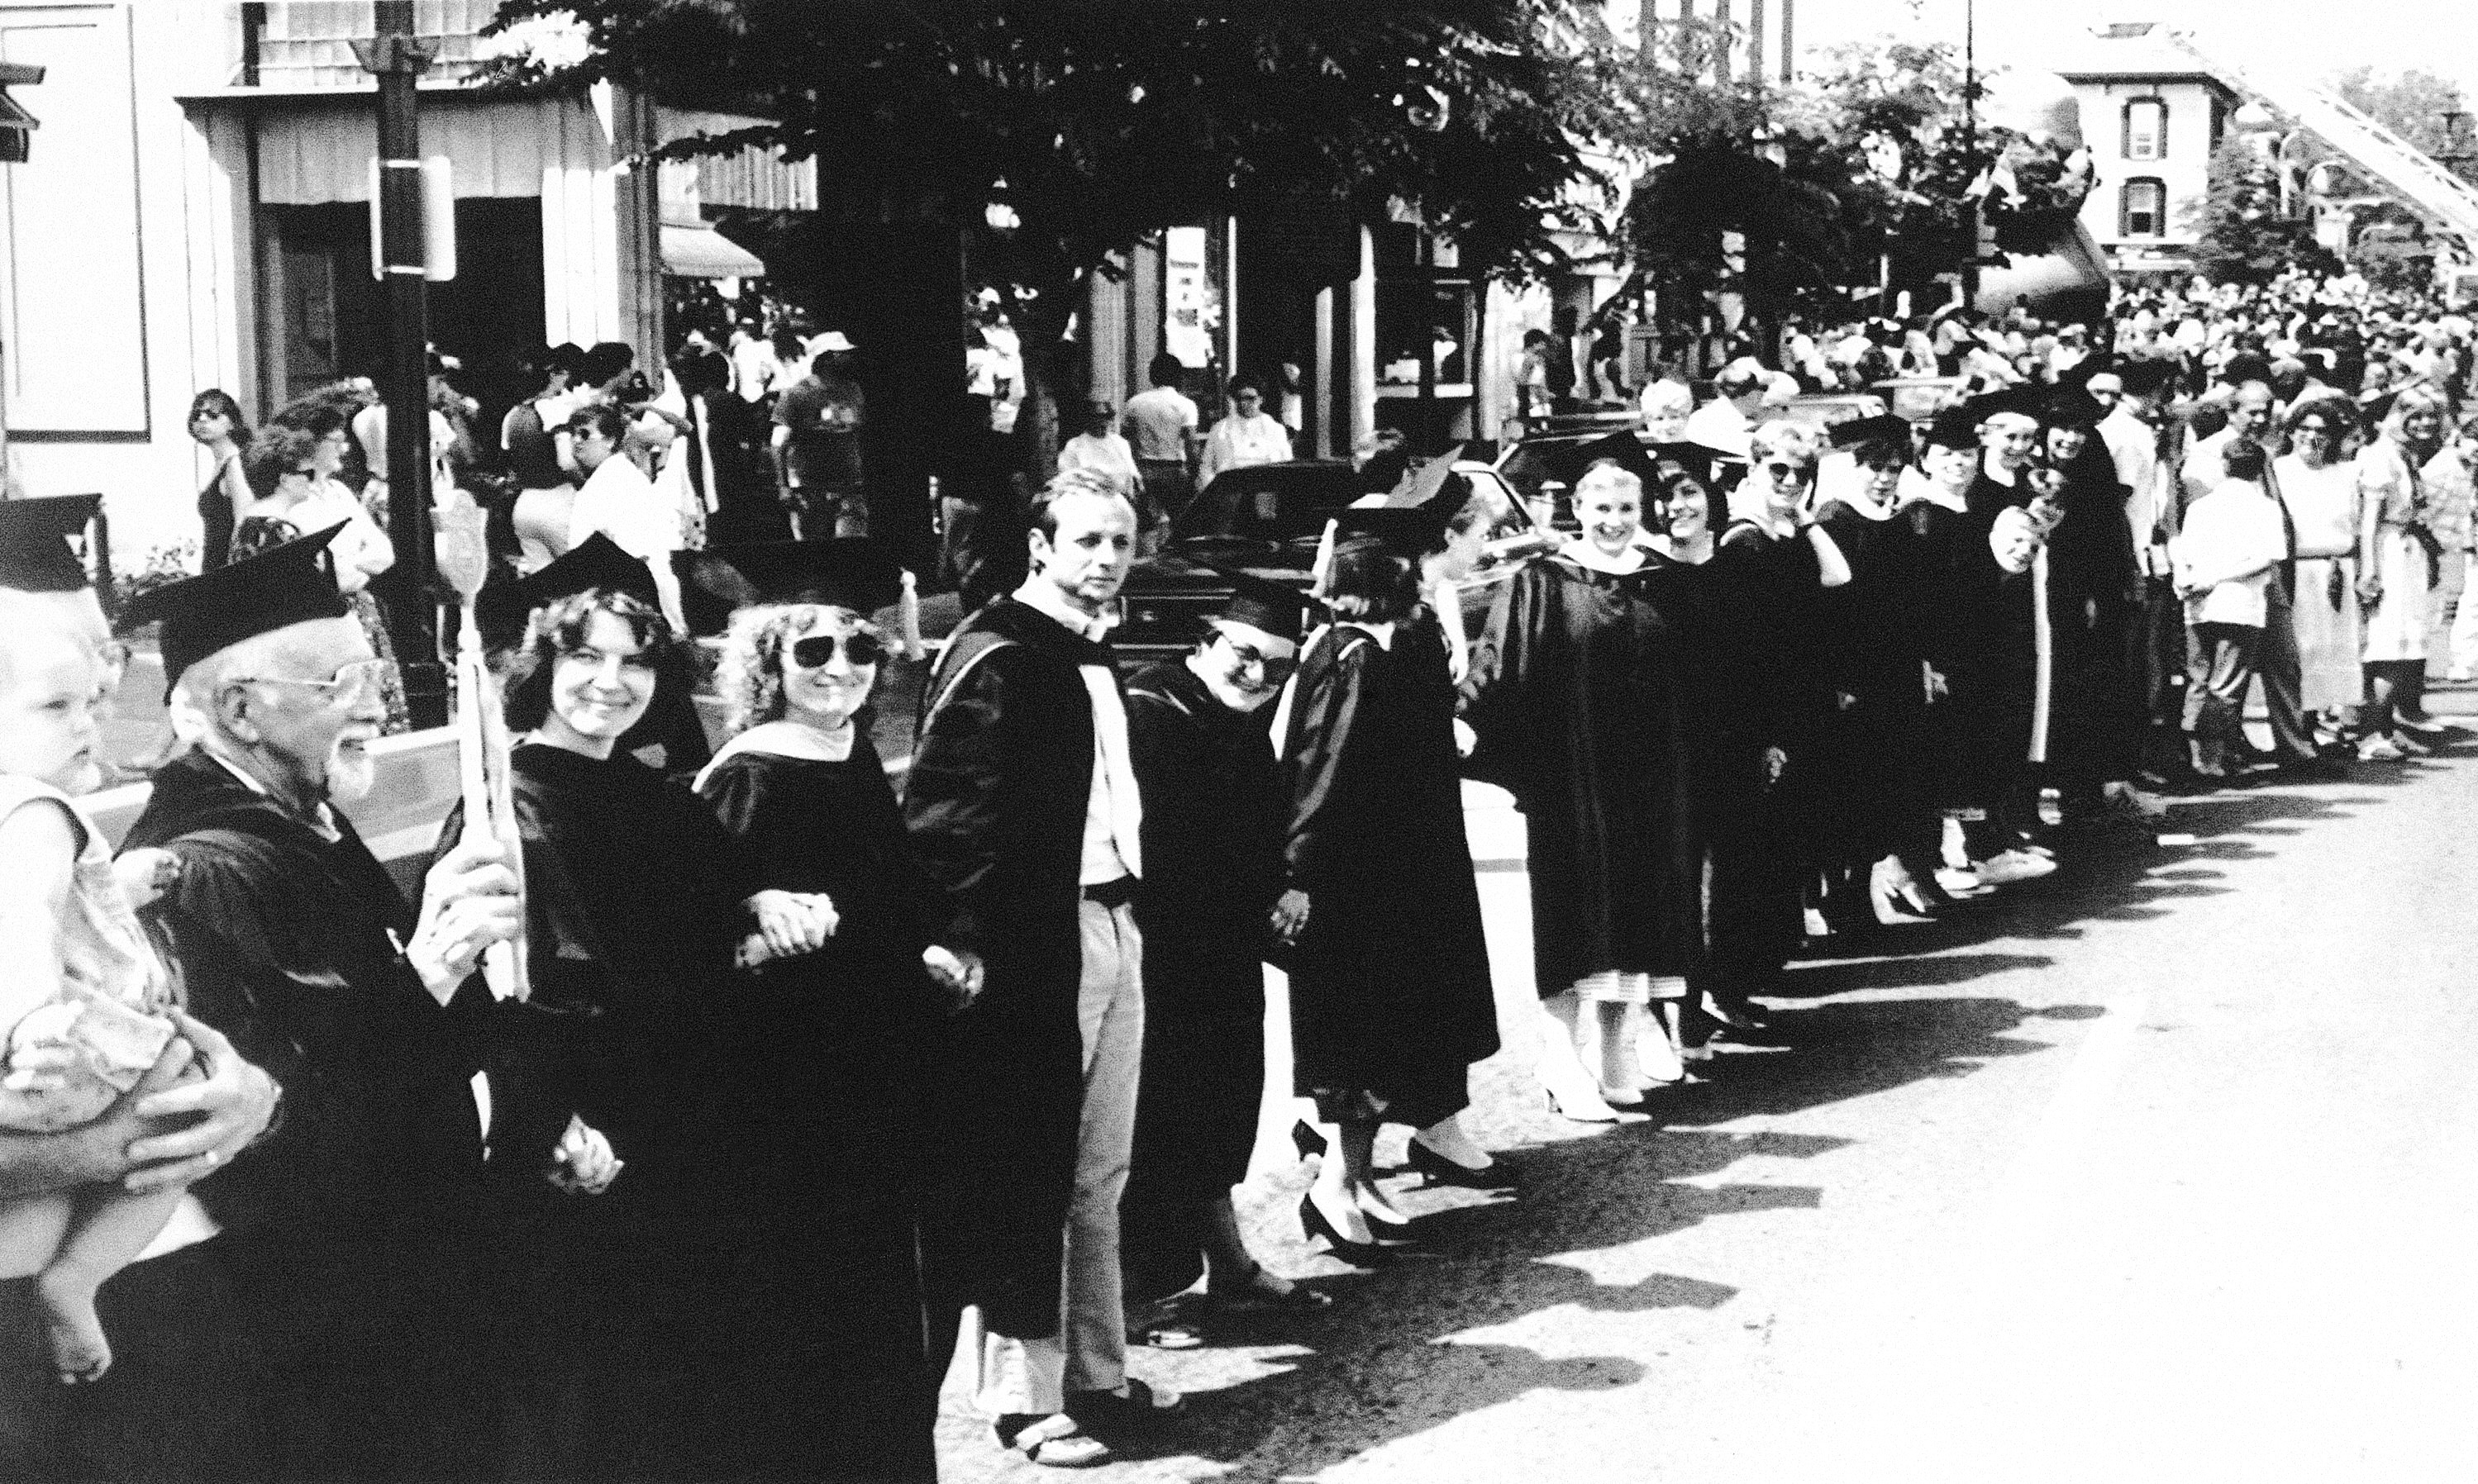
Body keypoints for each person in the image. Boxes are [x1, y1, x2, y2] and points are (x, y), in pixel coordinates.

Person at [116, 525, 524, 1483]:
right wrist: (427, 973)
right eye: (341, 681)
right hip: (321, 1338)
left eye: (373, 672)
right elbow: (277, 1131)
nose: (376, 700)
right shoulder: (202, 871)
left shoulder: (309, 827)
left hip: (409, 1294)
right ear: (240, 708)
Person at [445, 544, 828, 1482]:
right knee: (609, 1401)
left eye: (635, 662)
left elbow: (714, 902)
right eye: (587, 657)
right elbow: (496, 999)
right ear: (543, 666)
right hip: (593, 1146)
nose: (611, 682)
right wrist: (549, 1119)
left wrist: (761, 902)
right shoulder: (509, 810)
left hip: (690, 1133)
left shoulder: (653, 796)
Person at [0, 502, 281, 1483]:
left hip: (147, 1278)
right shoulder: (31, 819)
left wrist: (240, 1097)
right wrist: (120, 1134)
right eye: (56, 696)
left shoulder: (55, 823)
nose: (95, 706)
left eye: (102, 667)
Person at [905, 470, 1182, 1469]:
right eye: (1086, 540)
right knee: (1026, 1164)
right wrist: (965, 942)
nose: (1106, 558)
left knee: (1100, 1168)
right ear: (1040, 544)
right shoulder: (999, 654)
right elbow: (946, 818)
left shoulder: (1090, 650)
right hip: (1032, 940)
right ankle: (1021, 1398)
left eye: (1120, 541)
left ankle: (1097, 1371)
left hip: (1113, 919)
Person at [693, 540, 976, 1482]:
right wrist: (750, 919)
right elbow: (699, 926)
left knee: (899, 1309)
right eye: (812, 651)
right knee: (825, 1318)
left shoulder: (847, 753)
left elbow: (883, 895)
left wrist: (924, 948)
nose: (840, 669)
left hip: (882, 1074)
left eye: (860, 649)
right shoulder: (750, 773)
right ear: (769, 663)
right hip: (800, 1096)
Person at [1278, 502, 1502, 1258]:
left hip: (1395, 870)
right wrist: (1300, 873)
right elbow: (1323, 773)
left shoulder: (1385, 645)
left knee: (1388, 1029)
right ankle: (1335, 1189)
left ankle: (1357, 1180)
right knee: (1360, 1038)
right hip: (1356, 881)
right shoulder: (1353, 657)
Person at [1118, 571, 1330, 1347]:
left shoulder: (1233, 714)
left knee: (1217, 1111)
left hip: (1218, 951)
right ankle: (1136, 1299)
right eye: (1244, 653)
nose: (1257, 674)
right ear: (1207, 641)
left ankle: (1230, 1267)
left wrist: (1283, 887)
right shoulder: (1149, 711)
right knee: (1157, 1125)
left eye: (1276, 665)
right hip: (1158, 954)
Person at [1463, 458, 1699, 1122]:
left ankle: (1618, 1050)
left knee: (1640, 912)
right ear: (1577, 509)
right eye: (1601, 508)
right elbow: (1498, 660)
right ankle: (1561, 1059)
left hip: (1652, 779)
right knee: (1572, 916)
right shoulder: (1543, 581)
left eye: (1626, 508)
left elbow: (1701, 674)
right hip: (1572, 777)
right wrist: (1463, 716)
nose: (1614, 522)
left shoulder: (1665, 581)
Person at [2182, 381, 2320, 772]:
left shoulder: (2265, 451)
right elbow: (2201, 523)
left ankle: (2294, 749)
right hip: (2226, 580)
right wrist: (2208, 578)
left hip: (2267, 574)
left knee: (2283, 662)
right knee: (2222, 674)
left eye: (2266, 411)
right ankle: (2216, 755)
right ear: (2232, 411)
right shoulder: (2209, 454)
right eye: (2252, 411)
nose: (2260, 419)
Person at [2175, 441, 2288, 779]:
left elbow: (2184, 554)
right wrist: (2216, 578)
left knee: (2199, 681)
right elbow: (2268, 559)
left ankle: (2198, 758)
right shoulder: (2266, 508)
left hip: (2199, 603)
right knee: (2225, 685)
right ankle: (2211, 761)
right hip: (2240, 605)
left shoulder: (2200, 507)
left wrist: (2189, 581)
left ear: (2225, 466)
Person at [2355, 388, 2452, 758]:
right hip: (2388, 553)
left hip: (2407, 552)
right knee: (2387, 644)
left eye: (2430, 416)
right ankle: (2371, 733)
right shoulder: (2380, 457)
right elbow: (2369, 522)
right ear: (2398, 416)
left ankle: (2389, 726)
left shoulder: (2403, 455)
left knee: (2406, 644)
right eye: (2416, 416)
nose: (2425, 423)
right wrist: (2370, 570)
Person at [2272, 398, 2366, 740]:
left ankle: (2327, 725)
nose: (2312, 437)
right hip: (2297, 571)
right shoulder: (2278, 470)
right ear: (2291, 433)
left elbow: (2357, 524)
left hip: (2339, 569)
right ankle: (2299, 730)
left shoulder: (2347, 473)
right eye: (2304, 429)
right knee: (2303, 648)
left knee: (2335, 649)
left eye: (2322, 431)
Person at [771, 340, 870, 538]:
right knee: (815, 547)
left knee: (853, 545)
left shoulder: (853, 391)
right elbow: (778, 444)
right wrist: (783, 485)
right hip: (809, 490)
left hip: (850, 487)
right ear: (826, 358)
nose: (849, 358)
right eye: (841, 354)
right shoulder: (797, 394)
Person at [1122, 354, 1201, 519]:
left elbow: (1126, 442)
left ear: (1152, 376)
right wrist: (1196, 475)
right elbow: (1191, 445)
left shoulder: (1134, 403)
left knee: (1146, 523)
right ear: (1178, 376)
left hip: (1144, 469)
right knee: (1179, 523)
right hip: (1174, 471)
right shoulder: (1186, 405)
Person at [188, 391, 252, 573]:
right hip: (213, 571)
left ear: (232, 422)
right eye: (197, 415)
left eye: (212, 414)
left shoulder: (234, 465)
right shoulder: (221, 464)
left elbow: (243, 527)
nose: (202, 419)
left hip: (228, 574)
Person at [1197, 376, 1291, 491]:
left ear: (1260, 399)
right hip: (1229, 492)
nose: (1244, 403)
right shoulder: (1220, 429)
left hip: (1264, 493)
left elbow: (1285, 468)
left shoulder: (1275, 430)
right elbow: (1206, 468)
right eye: (1239, 398)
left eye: (1250, 398)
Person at [1684, 359, 1770, 459]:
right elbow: (1758, 449)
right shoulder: (1706, 419)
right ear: (1750, 394)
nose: (1761, 396)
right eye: (1760, 391)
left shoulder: (1703, 415)